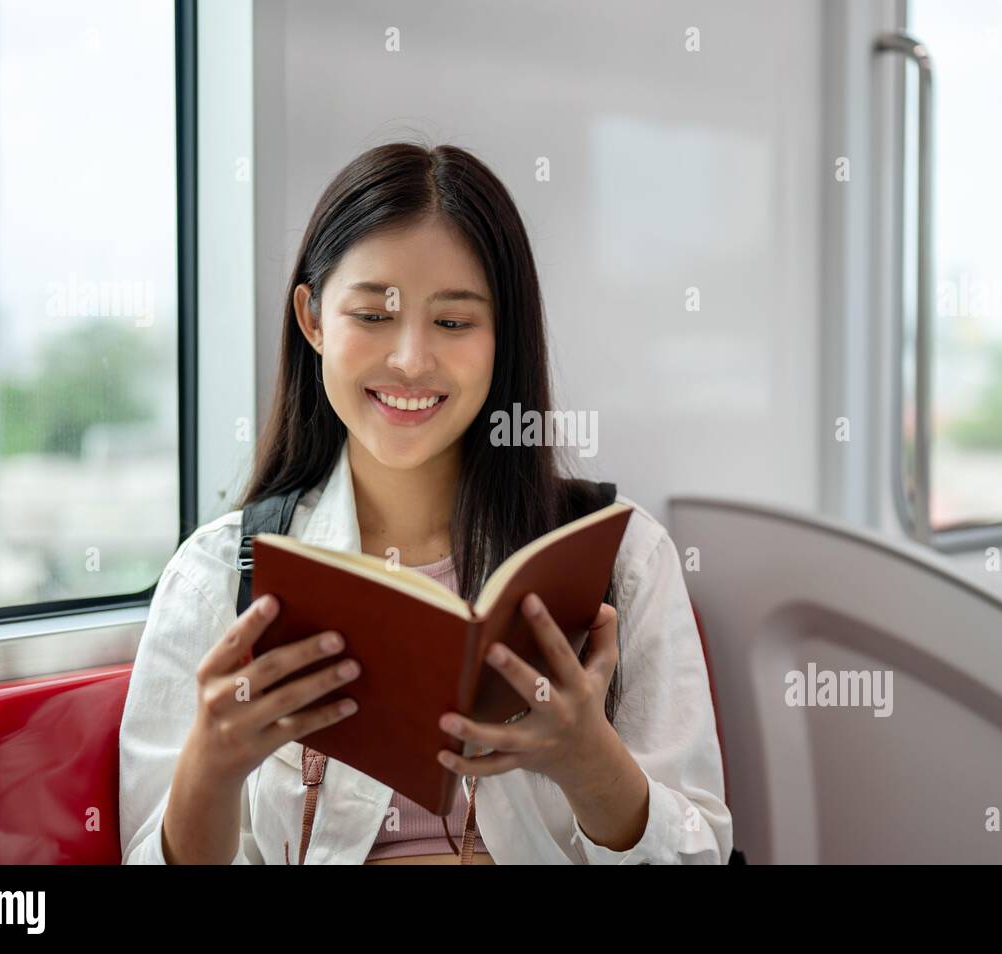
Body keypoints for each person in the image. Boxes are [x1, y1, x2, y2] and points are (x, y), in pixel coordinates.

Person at [118, 141, 732, 864]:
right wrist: (210, 770)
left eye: (452, 322)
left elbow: (702, 854)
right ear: (313, 320)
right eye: (374, 315)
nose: (410, 359)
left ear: (503, 337)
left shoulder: (622, 562)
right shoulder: (218, 577)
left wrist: (587, 758)